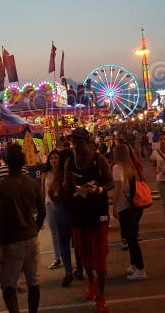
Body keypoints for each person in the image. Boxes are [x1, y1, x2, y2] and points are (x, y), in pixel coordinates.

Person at [62, 127, 114, 313]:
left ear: (88, 142)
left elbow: (111, 182)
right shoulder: (70, 161)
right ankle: (91, 282)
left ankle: (101, 295)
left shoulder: (98, 160)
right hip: (79, 214)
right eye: (73, 141)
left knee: (100, 255)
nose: (76, 145)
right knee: (83, 254)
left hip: (98, 212)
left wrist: (99, 190)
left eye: (79, 141)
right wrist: (67, 183)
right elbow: (65, 187)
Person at [0, 143, 46, 313]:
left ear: (7, 163)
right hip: (31, 237)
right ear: (23, 162)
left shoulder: (0, 188)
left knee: (8, 284)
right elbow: (42, 211)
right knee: (33, 282)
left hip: (11, 240)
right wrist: (35, 229)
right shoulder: (32, 184)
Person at [48, 148, 84, 287]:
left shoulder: (60, 175)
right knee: (77, 242)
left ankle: (68, 271)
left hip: (62, 212)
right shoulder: (77, 174)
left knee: (64, 243)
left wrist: (57, 201)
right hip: (75, 211)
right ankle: (80, 269)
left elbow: (51, 191)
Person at [112, 144, 147, 281]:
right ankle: (133, 265)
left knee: (131, 239)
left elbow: (119, 186)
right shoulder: (130, 166)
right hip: (134, 206)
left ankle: (140, 269)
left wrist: (114, 206)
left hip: (125, 207)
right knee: (131, 236)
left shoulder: (117, 167)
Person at [41, 151, 63, 270]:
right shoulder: (45, 174)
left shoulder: (62, 173)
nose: (54, 160)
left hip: (61, 205)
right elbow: (42, 191)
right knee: (54, 232)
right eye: (52, 158)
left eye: (56, 158)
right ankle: (57, 258)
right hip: (49, 204)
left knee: (63, 231)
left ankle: (65, 256)